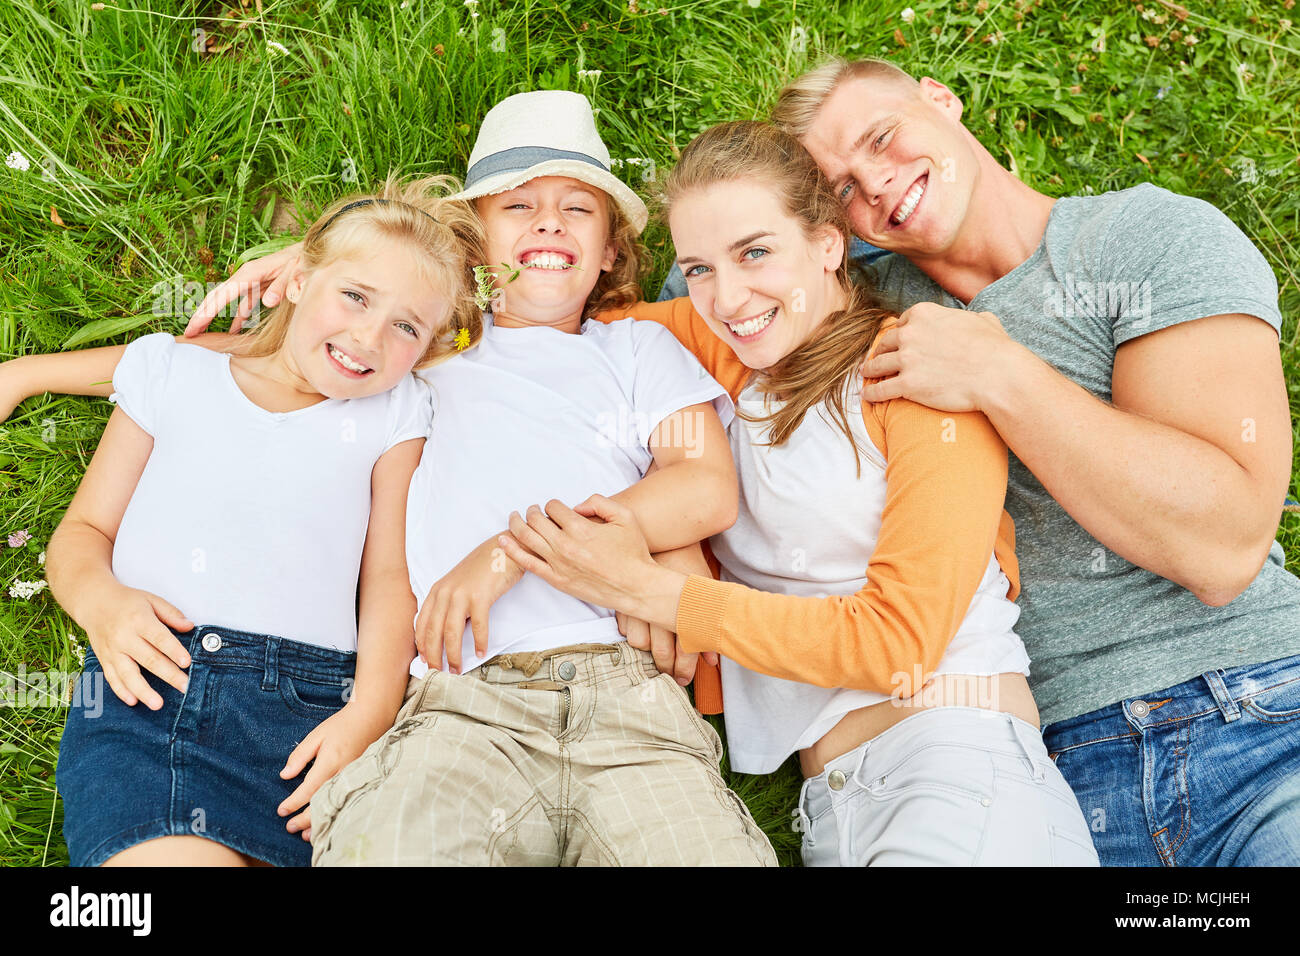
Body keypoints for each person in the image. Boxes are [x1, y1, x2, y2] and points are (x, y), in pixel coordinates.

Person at [10, 91, 778, 865]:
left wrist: (576, 556)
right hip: (461, 698)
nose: (548, 223)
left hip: (626, 692)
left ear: (612, 250)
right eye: (519, 205)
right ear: (477, 244)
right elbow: (227, 366)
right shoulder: (425, 353)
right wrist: (36, 372)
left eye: (577, 209)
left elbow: (703, 487)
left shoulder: (637, 349)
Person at [496, 120, 1099, 866]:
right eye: (700, 268)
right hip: (833, 810)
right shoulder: (722, 352)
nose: (727, 295)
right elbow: (553, 335)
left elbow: (896, 643)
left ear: (827, 244)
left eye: (755, 253)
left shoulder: (918, 376)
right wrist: (674, 522)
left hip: (958, 771)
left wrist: (649, 588)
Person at [752, 58, 1299, 866]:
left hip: (1252, 709)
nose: (875, 184)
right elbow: (705, 271)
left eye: (883, 136)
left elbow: (1222, 546)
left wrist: (998, 376)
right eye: (839, 189)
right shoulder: (853, 317)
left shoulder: (1141, 238)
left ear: (941, 99)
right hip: (1039, 774)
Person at [40, 173, 486, 866]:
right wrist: (101, 604)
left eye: (406, 327)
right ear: (297, 278)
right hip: (156, 693)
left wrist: (369, 713)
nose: (369, 336)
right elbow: (81, 534)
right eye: (355, 296)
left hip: (309, 715)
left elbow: (388, 577)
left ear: (427, 348)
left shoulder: (398, 413)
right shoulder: (172, 374)